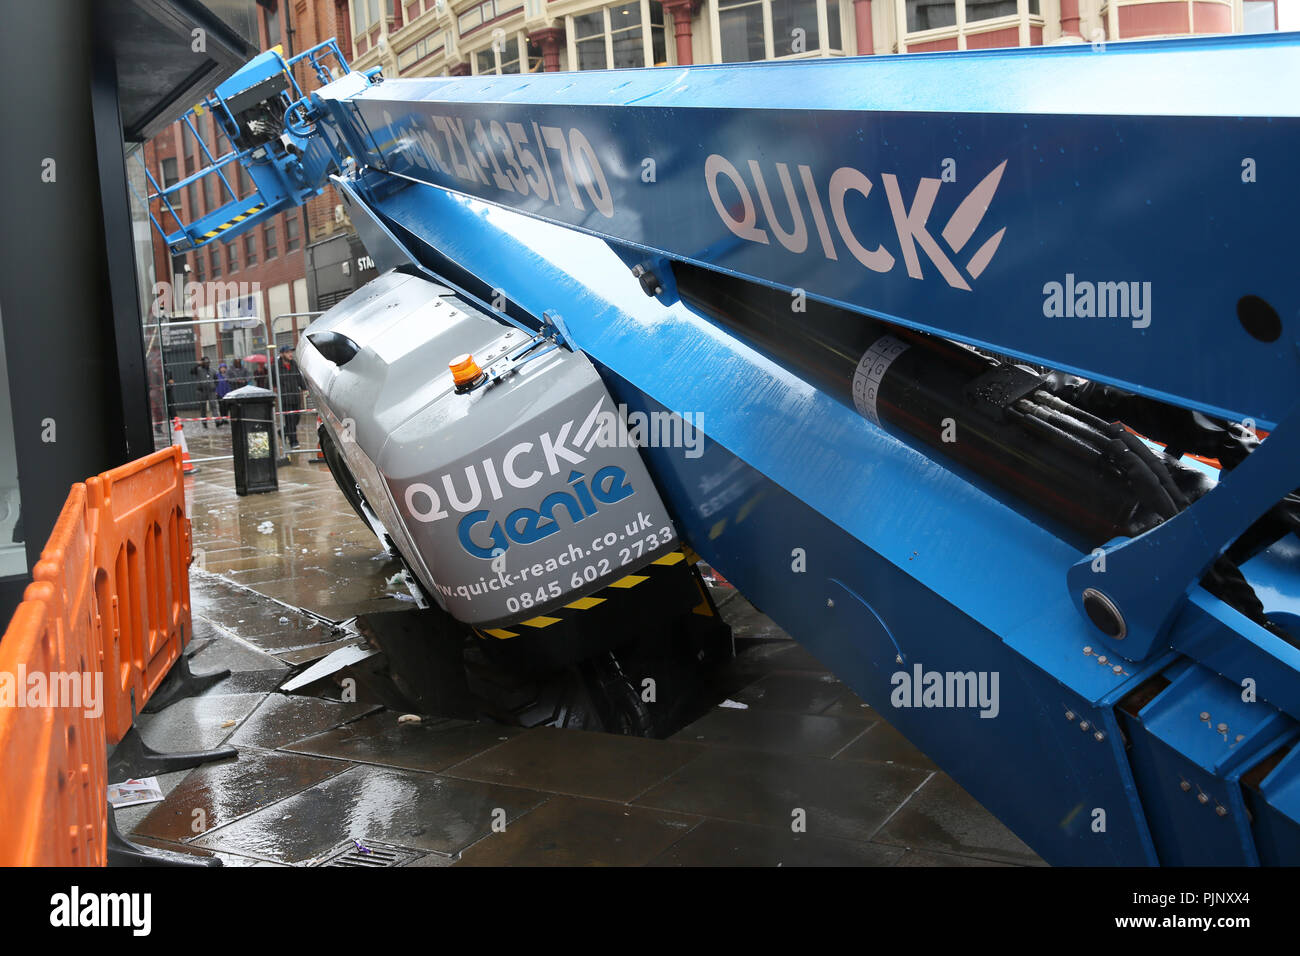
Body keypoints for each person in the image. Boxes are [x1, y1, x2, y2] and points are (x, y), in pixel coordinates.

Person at [275, 345, 305, 450]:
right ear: (282, 354)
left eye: (291, 352)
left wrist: (304, 388)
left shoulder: (293, 364)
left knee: (296, 419)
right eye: (287, 352)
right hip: (285, 398)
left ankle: (282, 432)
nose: (290, 354)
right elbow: (272, 382)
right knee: (290, 421)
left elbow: (299, 377)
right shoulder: (276, 366)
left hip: (295, 397)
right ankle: (294, 442)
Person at [192, 356, 216, 429]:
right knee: (203, 408)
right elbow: (192, 371)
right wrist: (198, 365)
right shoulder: (198, 370)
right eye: (205, 362)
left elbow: (216, 379)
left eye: (208, 362)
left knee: (213, 406)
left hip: (211, 391)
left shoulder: (212, 370)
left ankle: (217, 421)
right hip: (201, 391)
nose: (207, 364)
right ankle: (204, 422)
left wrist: (214, 387)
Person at [214, 362, 232, 427]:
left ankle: (226, 418)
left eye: (224, 368)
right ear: (219, 369)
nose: (223, 369)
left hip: (227, 393)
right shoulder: (217, 375)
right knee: (221, 406)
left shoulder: (228, 375)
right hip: (219, 393)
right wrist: (216, 391)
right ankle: (222, 418)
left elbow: (230, 383)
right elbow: (215, 384)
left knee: (226, 406)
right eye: (221, 368)